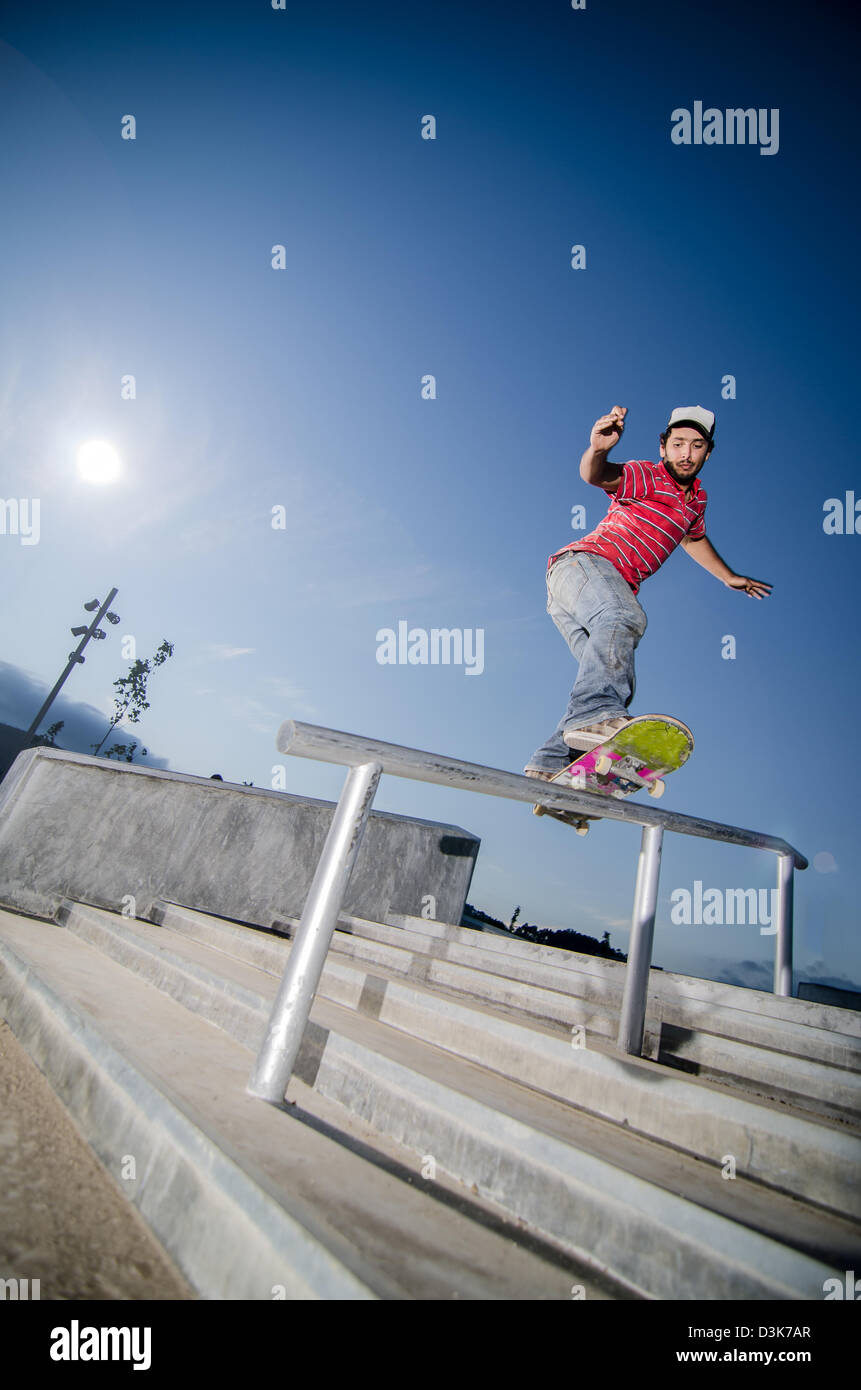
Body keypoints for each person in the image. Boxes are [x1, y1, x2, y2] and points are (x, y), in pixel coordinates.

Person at [525, 405, 772, 780]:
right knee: (624, 619)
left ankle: (552, 764)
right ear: (663, 447)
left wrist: (727, 576)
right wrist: (597, 449)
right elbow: (598, 476)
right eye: (677, 444)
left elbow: (693, 538)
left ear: (708, 452)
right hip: (584, 568)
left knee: (613, 673)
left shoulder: (696, 502)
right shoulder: (647, 475)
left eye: (696, 446)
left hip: (579, 595)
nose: (685, 454)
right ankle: (595, 718)